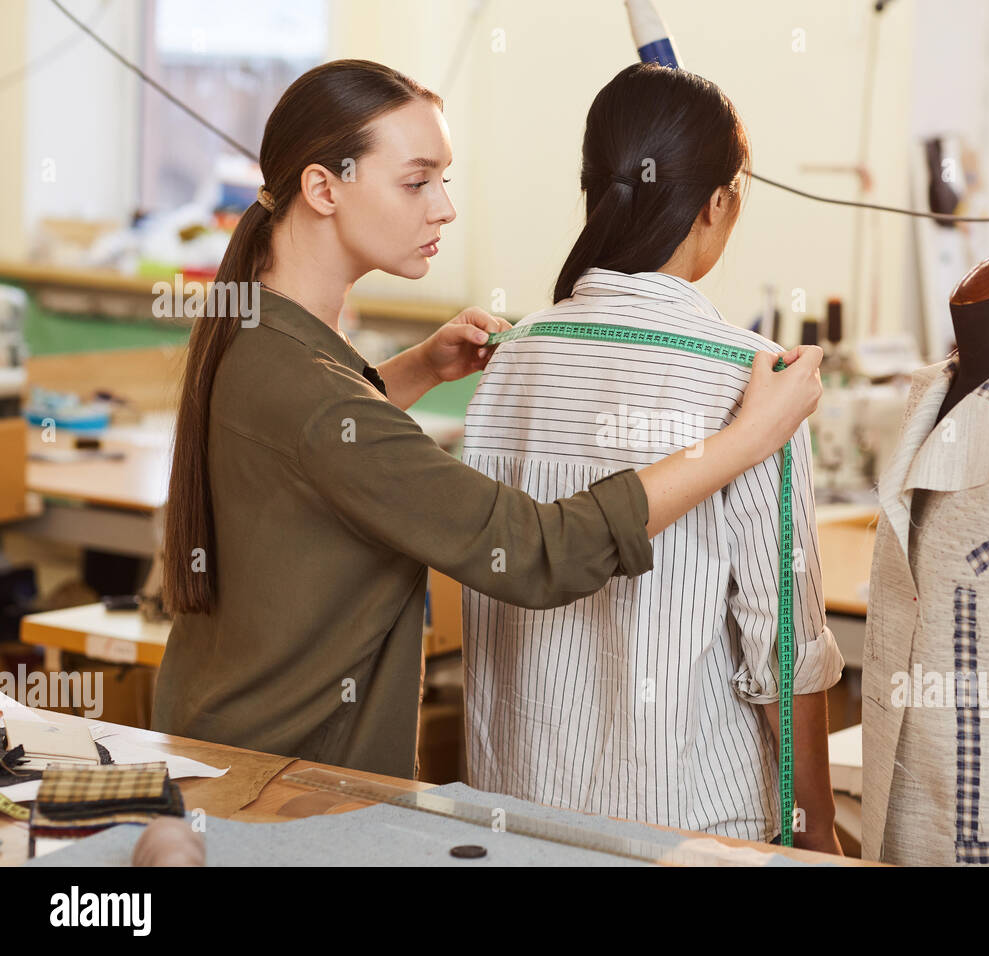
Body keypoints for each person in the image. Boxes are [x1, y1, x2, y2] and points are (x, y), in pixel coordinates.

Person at [152, 59, 823, 781]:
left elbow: (319, 439)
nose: (442, 207)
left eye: (443, 179)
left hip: (223, 746)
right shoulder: (309, 392)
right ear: (323, 188)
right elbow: (541, 551)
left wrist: (416, 370)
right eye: (416, 181)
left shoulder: (259, 334)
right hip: (278, 789)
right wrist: (745, 440)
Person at [461, 64, 844, 852]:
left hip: (516, 809)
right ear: (717, 203)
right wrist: (817, 832)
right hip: (688, 825)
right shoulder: (756, 380)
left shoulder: (510, 356)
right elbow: (783, 646)